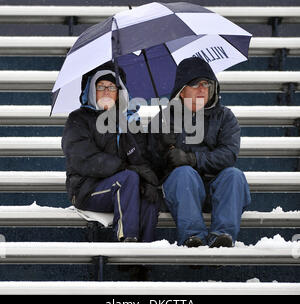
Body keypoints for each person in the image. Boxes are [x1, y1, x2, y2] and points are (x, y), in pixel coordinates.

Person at [148, 57, 251, 248]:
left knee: (234, 175)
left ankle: (223, 236)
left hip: (216, 190)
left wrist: (192, 158)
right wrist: (161, 148)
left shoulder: (225, 117)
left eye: (207, 83)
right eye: (195, 84)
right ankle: (193, 236)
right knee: (183, 173)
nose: (202, 89)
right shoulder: (163, 120)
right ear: (182, 89)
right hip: (182, 193)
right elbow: (150, 164)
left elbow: (228, 155)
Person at [62, 62, 160, 243]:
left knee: (148, 194)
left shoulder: (128, 120)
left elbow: (141, 155)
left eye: (112, 87)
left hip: (123, 185)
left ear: (119, 93)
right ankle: (127, 240)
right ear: (92, 90)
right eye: (101, 87)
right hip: (87, 189)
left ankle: (144, 257)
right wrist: (125, 167)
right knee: (128, 179)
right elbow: (83, 158)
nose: (106, 91)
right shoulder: (78, 119)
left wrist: (148, 178)